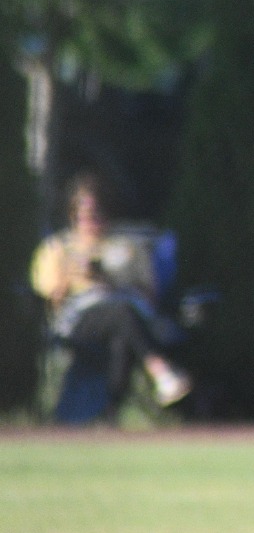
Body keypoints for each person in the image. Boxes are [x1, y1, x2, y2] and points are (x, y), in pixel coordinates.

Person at [30, 172, 192, 415]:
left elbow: (150, 294)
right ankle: (159, 368)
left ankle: (109, 412)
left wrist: (110, 281)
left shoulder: (128, 246)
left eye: (97, 215)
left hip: (129, 311)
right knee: (123, 316)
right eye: (84, 216)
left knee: (123, 333)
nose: (90, 222)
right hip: (79, 319)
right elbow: (52, 298)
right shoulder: (58, 248)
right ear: (73, 215)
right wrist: (74, 274)